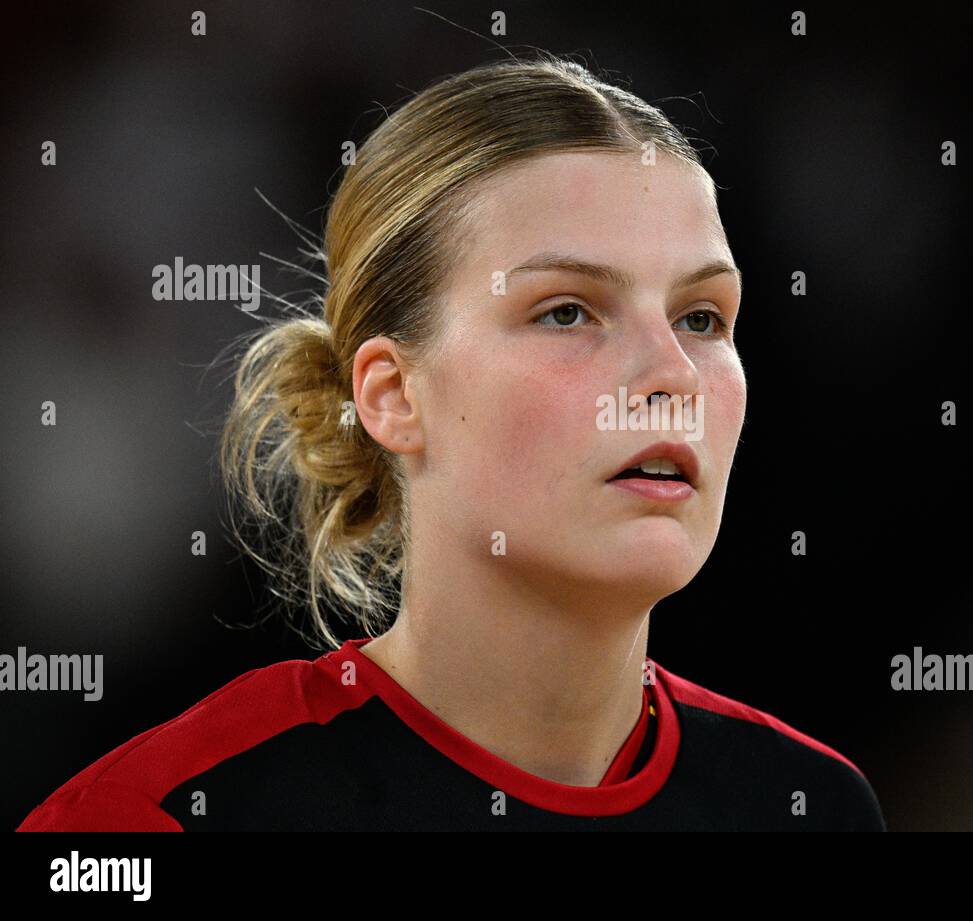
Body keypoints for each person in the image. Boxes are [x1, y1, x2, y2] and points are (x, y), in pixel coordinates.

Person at [17, 51, 885, 831]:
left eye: (702, 316)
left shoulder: (810, 803)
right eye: (569, 311)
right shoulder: (151, 821)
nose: (673, 377)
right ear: (393, 396)